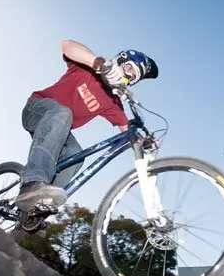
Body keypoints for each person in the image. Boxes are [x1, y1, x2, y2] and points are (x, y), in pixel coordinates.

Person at [13, 40, 158, 229]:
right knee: (63, 113)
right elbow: (67, 46)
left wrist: (143, 141)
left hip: (57, 132)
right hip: (36, 110)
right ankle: (32, 182)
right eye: (129, 68)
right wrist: (98, 63)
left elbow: (126, 129)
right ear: (119, 61)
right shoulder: (87, 69)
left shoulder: (112, 102)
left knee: (76, 156)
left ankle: (36, 210)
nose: (127, 76)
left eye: (132, 77)